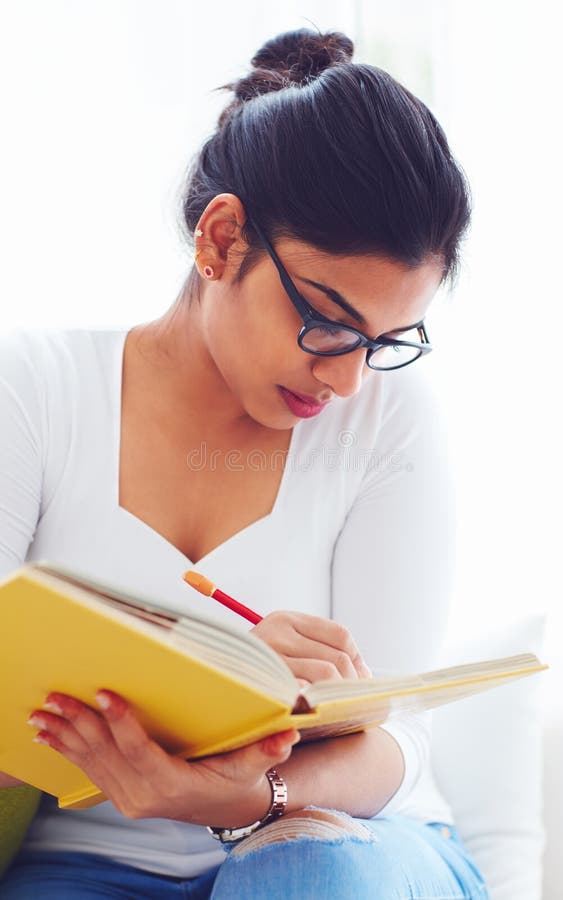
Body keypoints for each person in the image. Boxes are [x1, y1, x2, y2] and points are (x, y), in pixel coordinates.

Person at [0, 26, 488, 900]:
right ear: (222, 239)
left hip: (345, 840)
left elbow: (399, 739)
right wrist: (191, 690)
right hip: (96, 863)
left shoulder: (390, 420)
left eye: (385, 342)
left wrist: (255, 790)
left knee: (309, 873)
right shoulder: (33, 390)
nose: (345, 378)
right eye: (328, 322)